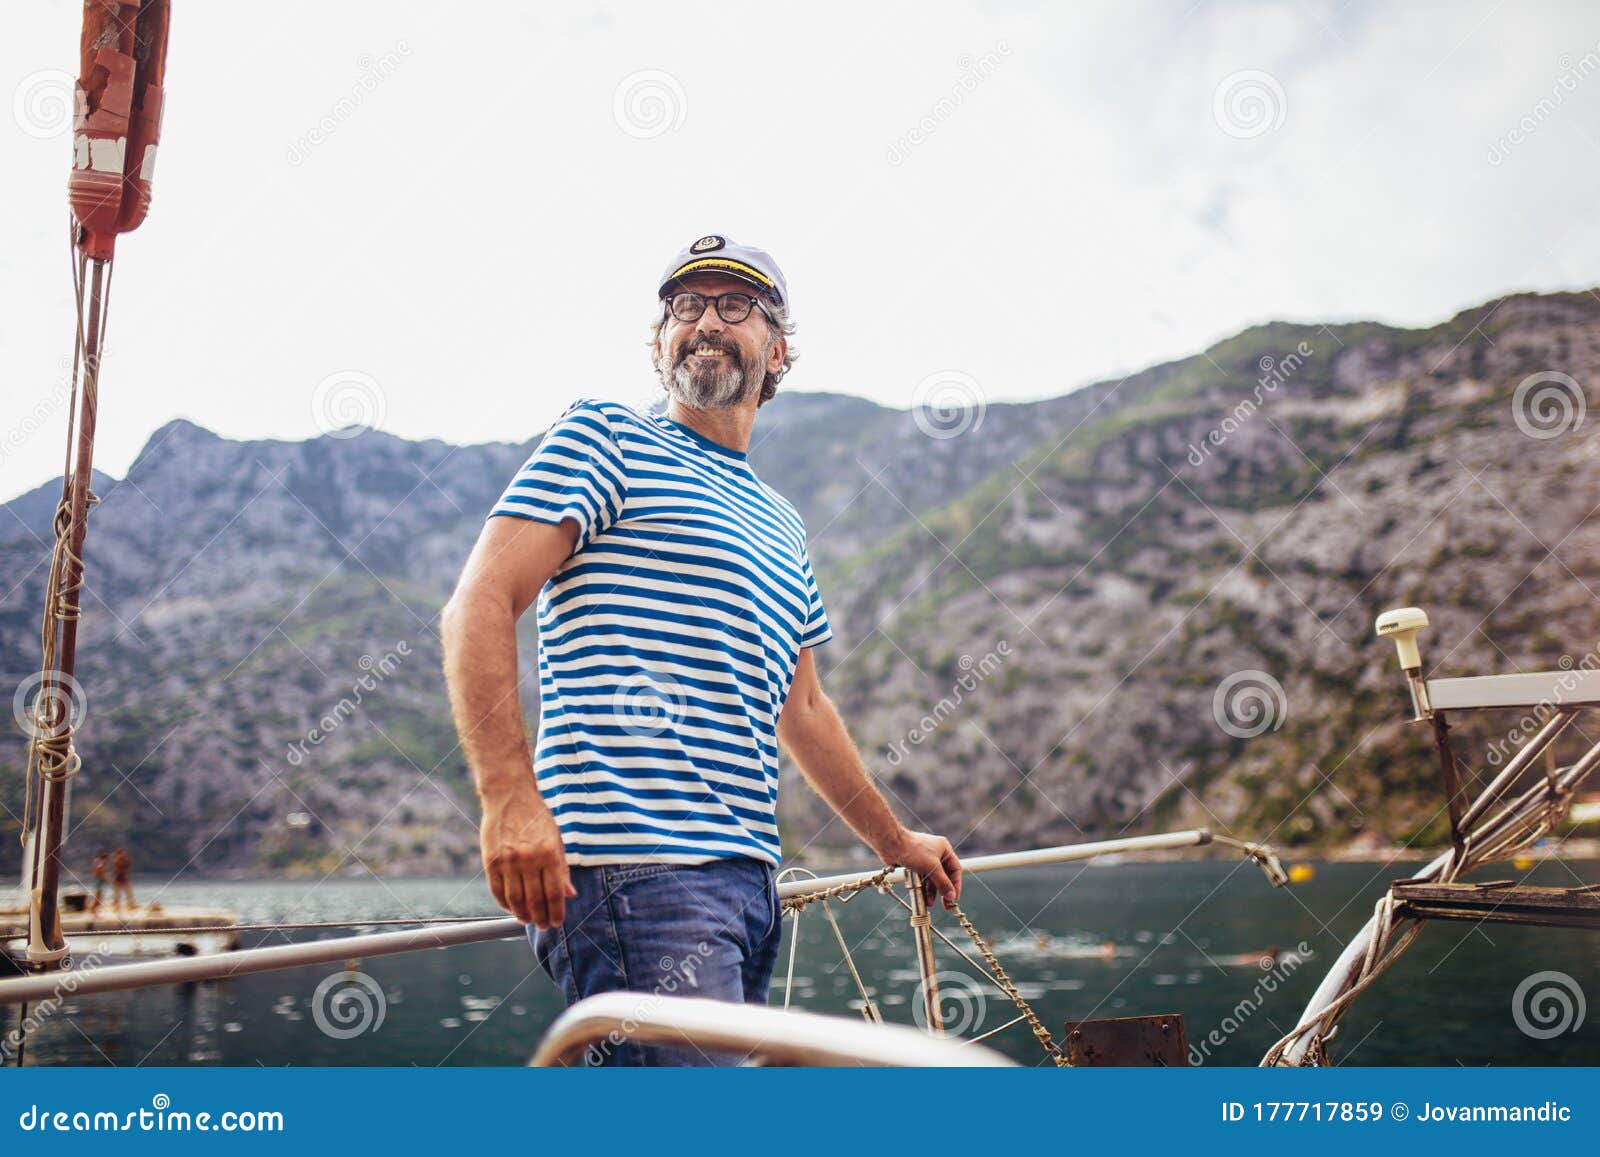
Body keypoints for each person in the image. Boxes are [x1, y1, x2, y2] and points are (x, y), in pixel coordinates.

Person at [442, 234, 964, 1066]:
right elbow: (479, 601)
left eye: (735, 306)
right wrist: (508, 798)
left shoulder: (783, 521)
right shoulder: (605, 436)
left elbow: (805, 708)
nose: (705, 322)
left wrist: (894, 841)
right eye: (684, 307)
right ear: (659, 344)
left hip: (751, 883)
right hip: (633, 869)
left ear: (778, 348)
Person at [111, 844, 134, 914]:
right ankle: (119, 907)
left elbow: (128, 865)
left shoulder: (119, 858)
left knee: (125, 893)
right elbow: (125, 866)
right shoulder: (118, 859)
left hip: (121, 877)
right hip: (120, 878)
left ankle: (127, 905)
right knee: (120, 894)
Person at [91, 849, 108, 915]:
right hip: (99, 881)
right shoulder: (101, 862)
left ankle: (94, 909)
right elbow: (99, 868)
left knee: (97, 896)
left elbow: (95, 870)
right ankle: (93, 909)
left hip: (97, 880)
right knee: (99, 896)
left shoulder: (96, 860)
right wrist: (104, 878)